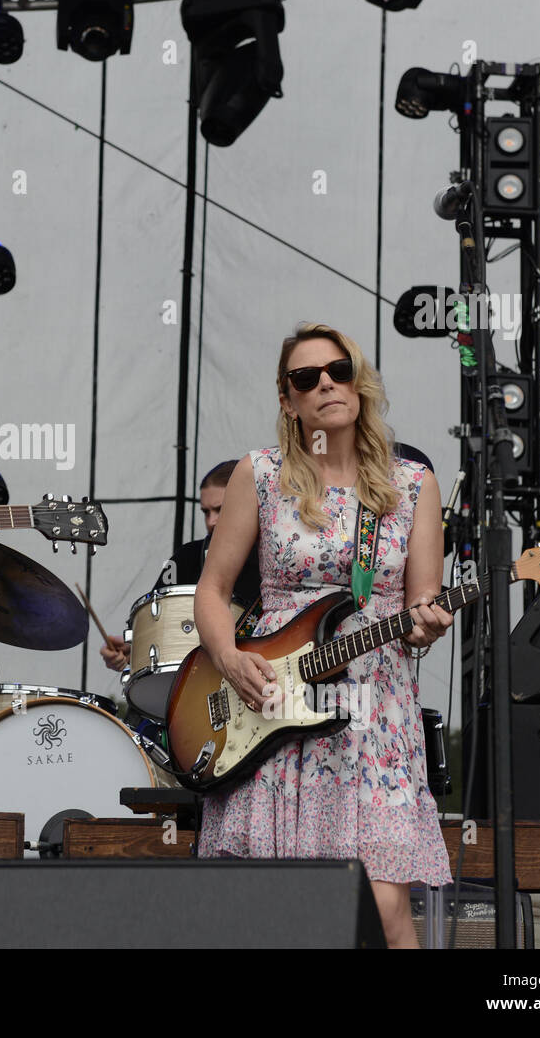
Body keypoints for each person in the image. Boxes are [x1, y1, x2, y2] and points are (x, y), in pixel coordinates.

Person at [193, 322, 452, 949]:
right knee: (274, 916)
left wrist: (426, 625)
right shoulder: (260, 476)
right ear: (288, 400)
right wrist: (228, 657)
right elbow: (212, 590)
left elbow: (421, 603)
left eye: (337, 370)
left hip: (376, 721)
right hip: (277, 709)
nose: (325, 385)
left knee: (386, 912)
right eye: (305, 378)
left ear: (358, 382)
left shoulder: (411, 484)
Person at [99, 460, 260, 672]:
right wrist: (132, 650)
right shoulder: (187, 558)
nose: (211, 521)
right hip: (194, 683)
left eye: (220, 509)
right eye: (205, 512)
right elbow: (155, 622)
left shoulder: (276, 560)